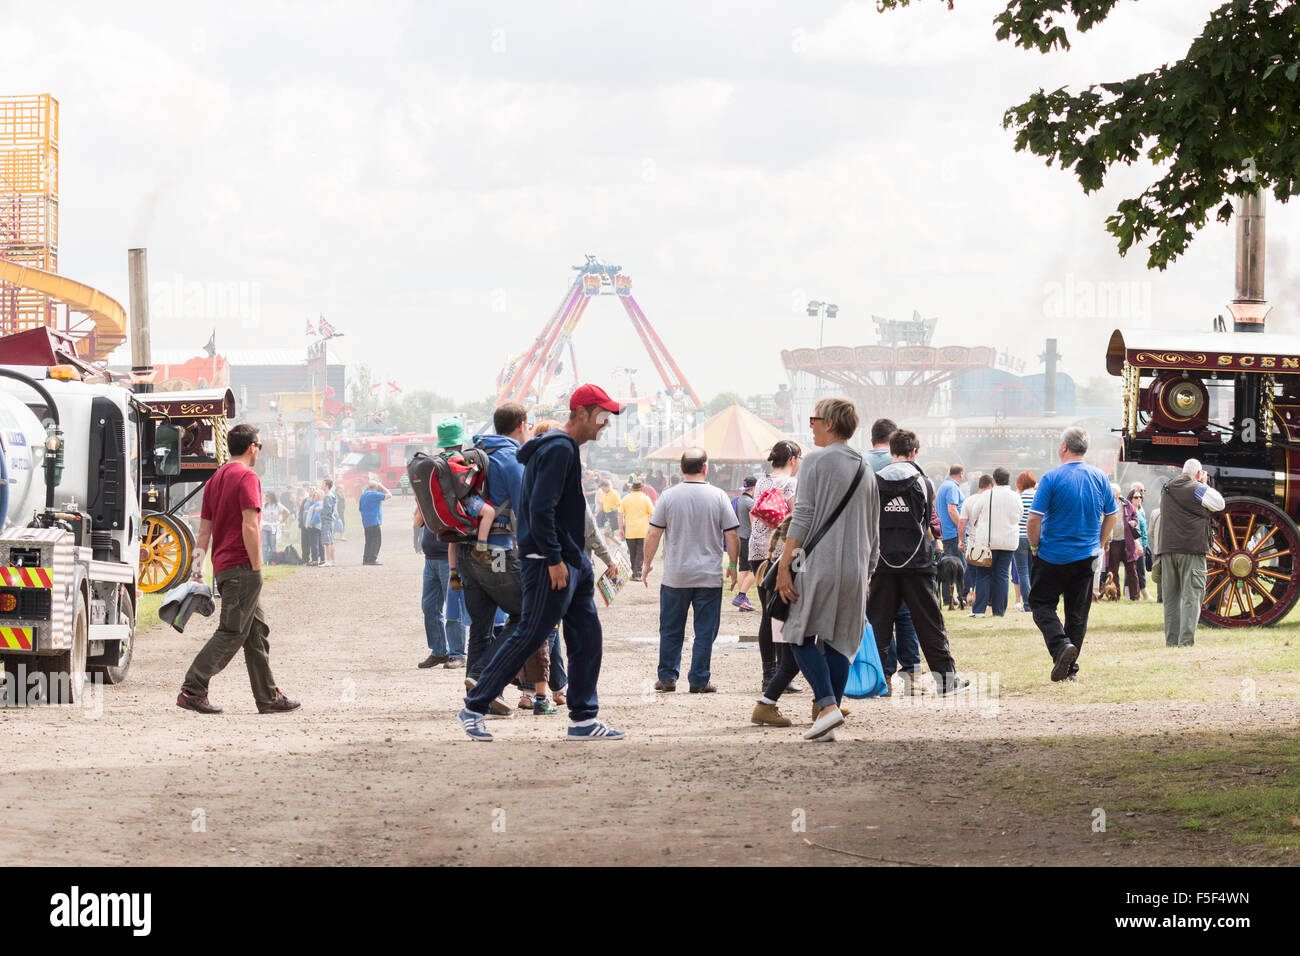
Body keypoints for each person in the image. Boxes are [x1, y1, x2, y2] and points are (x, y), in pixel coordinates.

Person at [458, 383, 628, 741]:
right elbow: (539, 508)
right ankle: (474, 706)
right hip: (551, 560)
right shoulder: (559, 448)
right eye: (601, 416)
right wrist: (552, 558)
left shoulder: (558, 447)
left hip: (572, 558)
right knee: (529, 633)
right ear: (580, 414)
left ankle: (583, 719)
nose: (604, 424)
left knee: (587, 636)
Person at [773, 398, 878, 742]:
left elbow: (801, 517)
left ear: (831, 423)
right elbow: (874, 529)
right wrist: (868, 574)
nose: (811, 426)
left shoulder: (815, 461)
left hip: (818, 565)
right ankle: (825, 718)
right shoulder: (865, 467)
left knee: (797, 633)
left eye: (814, 420)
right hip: (857, 568)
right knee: (838, 643)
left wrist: (785, 567)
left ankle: (829, 706)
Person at [177, 424, 299, 715]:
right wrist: (257, 567)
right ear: (252, 447)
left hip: (223, 565)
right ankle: (192, 689)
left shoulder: (215, 479)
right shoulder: (246, 476)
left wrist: (197, 569)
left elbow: (203, 532)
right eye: (259, 446)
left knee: (255, 632)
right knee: (232, 631)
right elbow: (250, 526)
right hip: (242, 565)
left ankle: (268, 696)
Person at [869, 429, 966, 695]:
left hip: (882, 562)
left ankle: (877, 682)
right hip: (917, 562)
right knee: (929, 621)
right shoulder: (924, 482)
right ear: (914, 452)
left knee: (878, 622)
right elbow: (926, 521)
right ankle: (946, 681)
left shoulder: (874, 480)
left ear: (891, 451)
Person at [642, 447, 740, 694]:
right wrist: (732, 565)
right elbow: (732, 534)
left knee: (671, 627)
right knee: (705, 631)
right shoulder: (718, 496)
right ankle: (698, 679)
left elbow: (654, 532)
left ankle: (667, 677)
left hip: (676, 576)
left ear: (681, 469)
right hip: (708, 576)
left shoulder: (668, 496)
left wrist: (646, 562)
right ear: (705, 468)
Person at [1026, 426, 1117, 682]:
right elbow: (1111, 514)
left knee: (1041, 604)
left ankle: (1060, 647)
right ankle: (1070, 671)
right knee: (1077, 614)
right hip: (1086, 556)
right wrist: (1099, 542)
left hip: (1052, 555)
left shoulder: (1052, 478)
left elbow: (1034, 519)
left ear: (1064, 447)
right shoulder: (1100, 477)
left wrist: (1034, 546)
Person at [457, 406, 528, 694]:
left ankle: (479, 696)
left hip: (466, 551)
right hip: (495, 554)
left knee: (481, 627)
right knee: (526, 614)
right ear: (521, 425)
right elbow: (525, 513)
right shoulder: (512, 459)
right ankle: (482, 674)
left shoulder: (475, 453)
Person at [865, 417, 920, 692]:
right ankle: (910, 671)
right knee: (907, 613)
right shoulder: (911, 472)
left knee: (879, 614)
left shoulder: (862, 465)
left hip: (877, 552)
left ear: (871, 438)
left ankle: (882, 672)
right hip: (910, 554)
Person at [749, 439, 801, 690]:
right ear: (793, 460)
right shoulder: (791, 483)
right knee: (781, 613)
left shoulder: (762, 481)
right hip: (780, 554)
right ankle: (780, 675)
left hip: (757, 552)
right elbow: (797, 518)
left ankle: (769, 674)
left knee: (767, 613)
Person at [1157, 459, 1225, 647]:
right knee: (1191, 597)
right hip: (1191, 550)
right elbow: (1220, 504)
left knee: (1170, 599)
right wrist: (1203, 484)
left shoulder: (1166, 487)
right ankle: (1186, 642)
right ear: (1198, 473)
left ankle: (1171, 642)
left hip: (1167, 550)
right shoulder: (1197, 488)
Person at [964, 467, 1023, 617]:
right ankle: (999, 611)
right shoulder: (1015, 496)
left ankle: (978, 610)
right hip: (1009, 541)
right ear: (1008, 480)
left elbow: (975, 513)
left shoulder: (987, 495)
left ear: (994, 480)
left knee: (983, 575)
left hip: (988, 542)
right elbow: (1020, 516)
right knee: (1002, 575)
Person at [959, 474, 993, 608]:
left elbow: (962, 523)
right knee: (987, 573)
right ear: (990, 486)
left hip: (973, 540)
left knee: (971, 570)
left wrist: (960, 540)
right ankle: (987, 600)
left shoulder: (969, 500)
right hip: (989, 541)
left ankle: (965, 596)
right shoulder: (991, 500)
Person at [935, 464, 966, 607]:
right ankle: (961, 597)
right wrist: (962, 528)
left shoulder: (943, 486)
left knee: (948, 569)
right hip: (953, 533)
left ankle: (948, 598)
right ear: (961, 474)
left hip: (946, 533)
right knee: (959, 567)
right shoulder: (953, 487)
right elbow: (952, 509)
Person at [1106, 483, 1142, 600]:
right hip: (1114, 541)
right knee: (1113, 570)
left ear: (1118, 494)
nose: (1112, 495)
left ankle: (1135, 596)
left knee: (1131, 569)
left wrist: (1133, 522)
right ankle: (1115, 596)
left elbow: (1134, 517)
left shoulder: (1127, 504)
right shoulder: (1107, 504)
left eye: (1114, 493)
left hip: (1127, 542)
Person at [617, 478, 655, 582]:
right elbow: (652, 513)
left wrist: (620, 528)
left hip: (630, 530)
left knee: (632, 553)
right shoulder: (646, 498)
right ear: (641, 488)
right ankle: (637, 573)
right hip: (643, 529)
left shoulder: (626, 498)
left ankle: (634, 572)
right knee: (640, 552)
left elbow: (620, 514)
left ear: (632, 488)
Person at [731, 476, 757, 611]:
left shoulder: (739, 500)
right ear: (753, 488)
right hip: (748, 538)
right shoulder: (751, 503)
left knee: (743, 569)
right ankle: (741, 596)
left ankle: (742, 601)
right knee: (755, 569)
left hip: (740, 537)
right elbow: (754, 523)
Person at [1013, 472, 1037, 611]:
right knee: (1034, 571)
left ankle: (1028, 605)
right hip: (1035, 537)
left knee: (1023, 572)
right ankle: (1037, 601)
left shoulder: (1018, 497)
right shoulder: (1038, 496)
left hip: (1020, 537)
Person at [1128, 483, 1153, 600]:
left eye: (1140, 497)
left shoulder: (1140, 511)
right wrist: (1138, 545)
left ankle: (1128, 594)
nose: (1139, 498)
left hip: (1142, 544)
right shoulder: (1132, 512)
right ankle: (1145, 594)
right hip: (1135, 545)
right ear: (1131, 499)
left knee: (1134, 570)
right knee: (1138, 571)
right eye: (1136, 497)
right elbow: (1133, 531)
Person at [359, 479, 392, 565]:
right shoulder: (374, 494)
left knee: (368, 541)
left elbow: (360, 509)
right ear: (376, 487)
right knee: (376, 541)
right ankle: (372, 559)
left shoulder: (363, 495)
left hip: (366, 521)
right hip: (374, 521)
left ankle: (366, 559)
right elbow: (389, 495)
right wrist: (381, 486)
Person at [318, 478, 338, 567]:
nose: (321, 485)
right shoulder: (331, 495)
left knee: (327, 541)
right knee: (331, 541)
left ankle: (329, 560)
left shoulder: (327, 496)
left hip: (327, 520)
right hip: (331, 520)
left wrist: (319, 510)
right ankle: (332, 560)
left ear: (326, 486)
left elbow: (327, 509)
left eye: (322, 484)